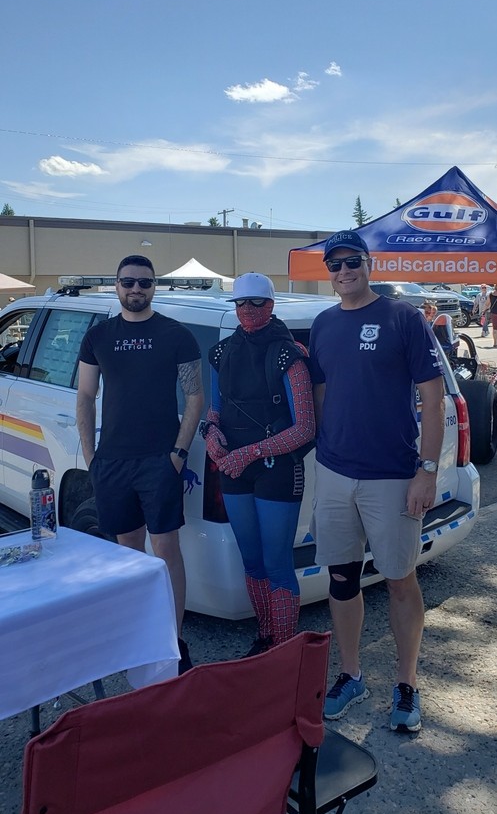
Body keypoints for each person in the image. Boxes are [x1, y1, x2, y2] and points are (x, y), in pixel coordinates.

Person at [309, 231, 444, 733]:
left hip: (391, 475)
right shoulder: (323, 324)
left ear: (368, 264)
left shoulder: (402, 317)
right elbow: (322, 392)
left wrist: (426, 471)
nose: (343, 271)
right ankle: (351, 674)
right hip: (336, 470)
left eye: (351, 262)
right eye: (335, 264)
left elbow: (433, 400)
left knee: (399, 579)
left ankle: (406, 683)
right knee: (341, 578)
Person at [76, 255, 204, 673]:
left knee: (166, 549)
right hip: (112, 461)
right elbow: (85, 396)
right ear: (116, 285)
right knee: (128, 552)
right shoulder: (98, 336)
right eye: (128, 282)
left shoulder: (176, 334)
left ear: (154, 286)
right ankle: (138, 633)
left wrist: (178, 453)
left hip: (159, 461)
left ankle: (175, 639)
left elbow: (196, 397)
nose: (136, 289)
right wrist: (91, 456)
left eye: (144, 283)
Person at [202, 272, 315, 654]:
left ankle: (283, 651)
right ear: (233, 306)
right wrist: (211, 435)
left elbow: (305, 428)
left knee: (277, 562)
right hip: (235, 468)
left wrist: (249, 452)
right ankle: (265, 637)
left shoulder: (290, 354)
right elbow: (215, 410)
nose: (248, 310)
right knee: (252, 561)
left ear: (271, 305)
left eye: (257, 302)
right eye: (241, 303)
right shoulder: (221, 353)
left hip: (276, 468)